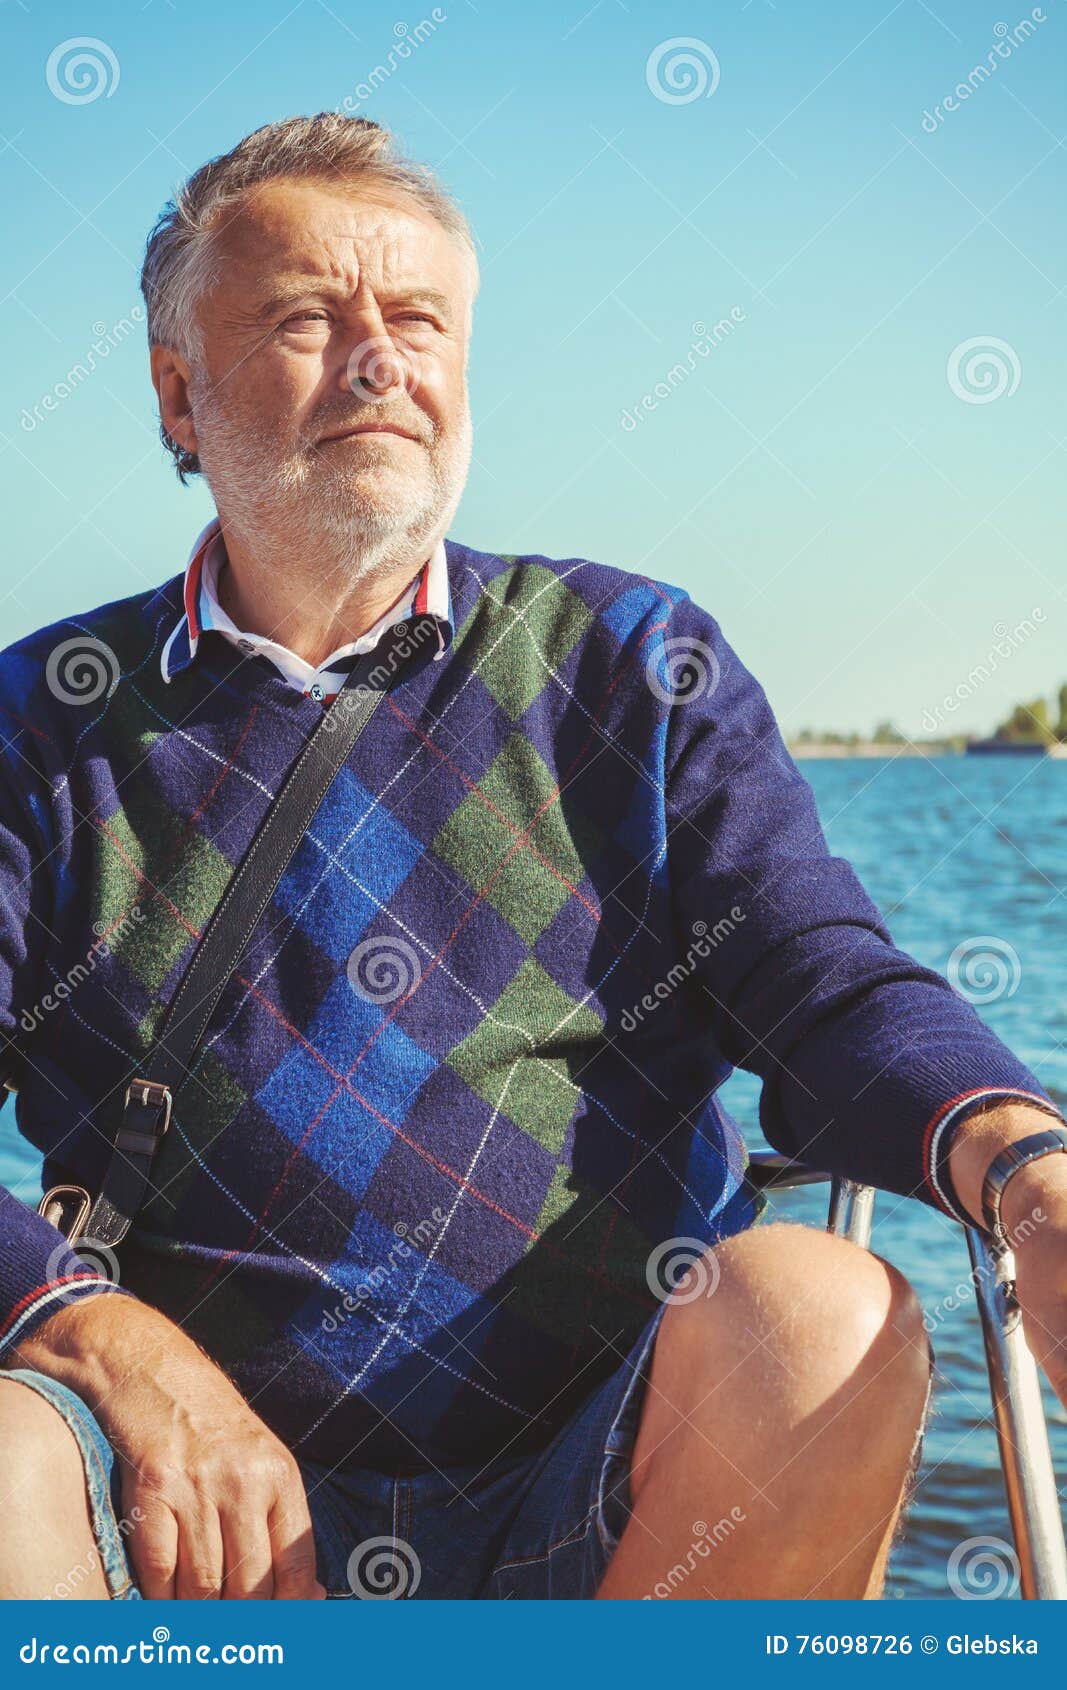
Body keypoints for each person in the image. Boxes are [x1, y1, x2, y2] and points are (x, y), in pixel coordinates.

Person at [0, 114, 1064, 1603]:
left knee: (828, 1311)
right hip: (200, 1522)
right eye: (307, 317)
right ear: (179, 395)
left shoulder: (635, 664)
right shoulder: (41, 725)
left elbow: (822, 984)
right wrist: (92, 1331)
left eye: (419, 318)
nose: (381, 357)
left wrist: (1026, 1166)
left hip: (608, 1481)